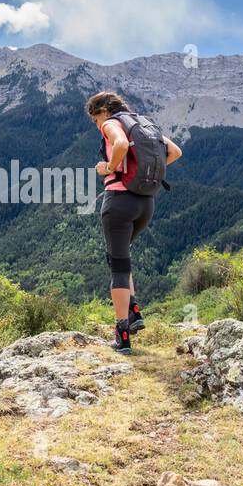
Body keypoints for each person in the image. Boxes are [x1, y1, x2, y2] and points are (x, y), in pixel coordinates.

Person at [87, 91, 182, 353]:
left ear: (103, 111)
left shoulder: (111, 124)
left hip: (119, 201)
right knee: (120, 257)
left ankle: (122, 335)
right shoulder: (141, 125)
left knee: (118, 265)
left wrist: (110, 167)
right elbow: (174, 152)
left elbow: (118, 145)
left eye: (95, 121)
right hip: (145, 203)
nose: (98, 127)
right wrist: (140, 171)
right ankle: (134, 312)